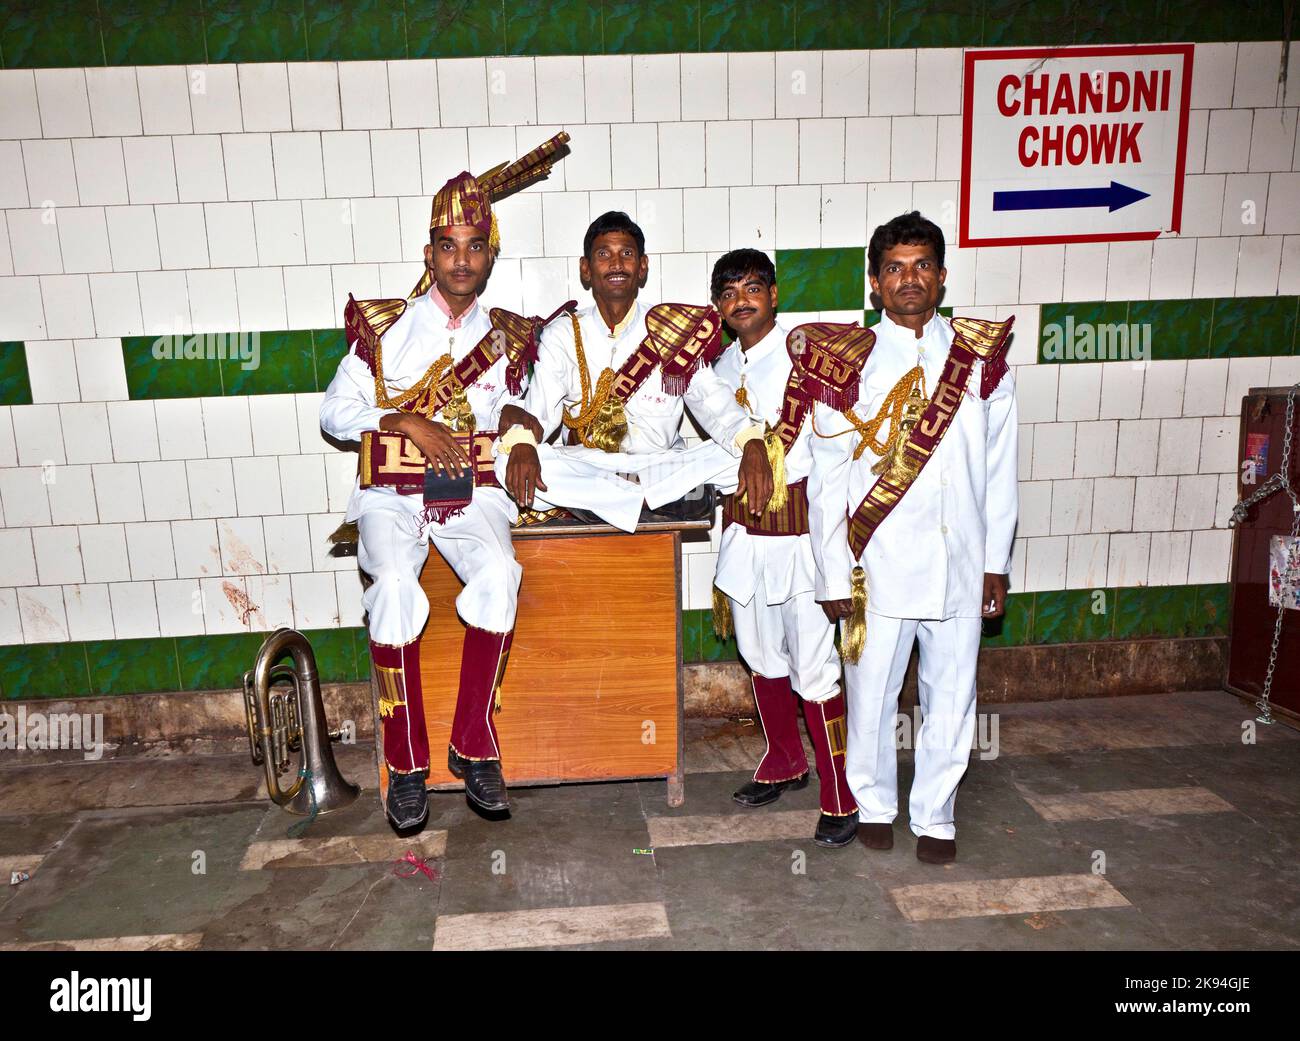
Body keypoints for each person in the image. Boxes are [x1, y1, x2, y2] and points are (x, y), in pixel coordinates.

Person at [319, 135, 570, 830]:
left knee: (499, 574)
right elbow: (335, 415)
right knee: (396, 588)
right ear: (428, 254)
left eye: (475, 247)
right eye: (448, 246)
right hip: (393, 493)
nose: (462, 260)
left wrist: (519, 429)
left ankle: (472, 743)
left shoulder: (509, 334)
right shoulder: (384, 328)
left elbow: (525, 408)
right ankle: (406, 765)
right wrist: (400, 417)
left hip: (469, 489)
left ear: (490, 256)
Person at [809, 211, 1018, 863]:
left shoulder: (981, 358)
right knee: (869, 694)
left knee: (953, 695)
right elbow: (826, 479)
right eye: (895, 267)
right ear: (874, 282)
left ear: (942, 276)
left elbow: (1001, 464)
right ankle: (873, 803)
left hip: (960, 559)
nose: (909, 279)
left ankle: (937, 815)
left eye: (922, 265)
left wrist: (995, 561)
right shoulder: (848, 362)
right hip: (878, 564)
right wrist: (832, 573)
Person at [708, 248, 867, 848]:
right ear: (720, 307)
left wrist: (835, 562)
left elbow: (829, 464)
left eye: (753, 287)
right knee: (760, 654)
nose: (741, 299)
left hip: (801, 536)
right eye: (729, 291)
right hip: (745, 537)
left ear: (774, 294)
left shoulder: (808, 363)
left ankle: (838, 793)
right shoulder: (717, 370)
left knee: (815, 668)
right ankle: (783, 761)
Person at [496, 211, 773, 520]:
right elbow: (541, 408)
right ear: (585, 270)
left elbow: (711, 399)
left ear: (642, 268)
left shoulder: (671, 329)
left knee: (742, 451)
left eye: (626, 254)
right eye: (604, 254)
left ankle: (608, 504)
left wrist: (750, 442)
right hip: (592, 467)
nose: (616, 264)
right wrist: (522, 443)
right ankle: (643, 501)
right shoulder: (562, 333)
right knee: (504, 459)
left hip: (659, 466)